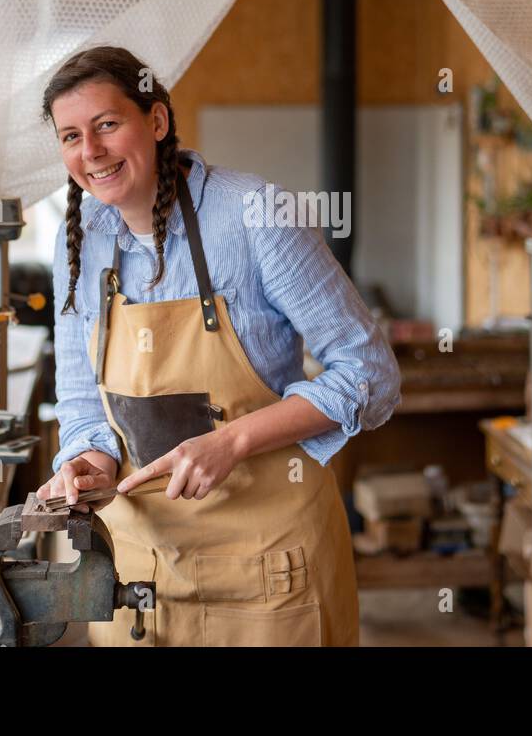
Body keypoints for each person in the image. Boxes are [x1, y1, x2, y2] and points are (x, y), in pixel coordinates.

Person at [35, 45, 401, 646]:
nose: (91, 151)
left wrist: (231, 441)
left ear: (155, 122)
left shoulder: (257, 215)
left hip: (271, 571)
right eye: (71, 135)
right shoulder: (80, 244)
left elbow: (370, 375)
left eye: (107, 124)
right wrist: (88, 461)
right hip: (142, 574)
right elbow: (80, 399)